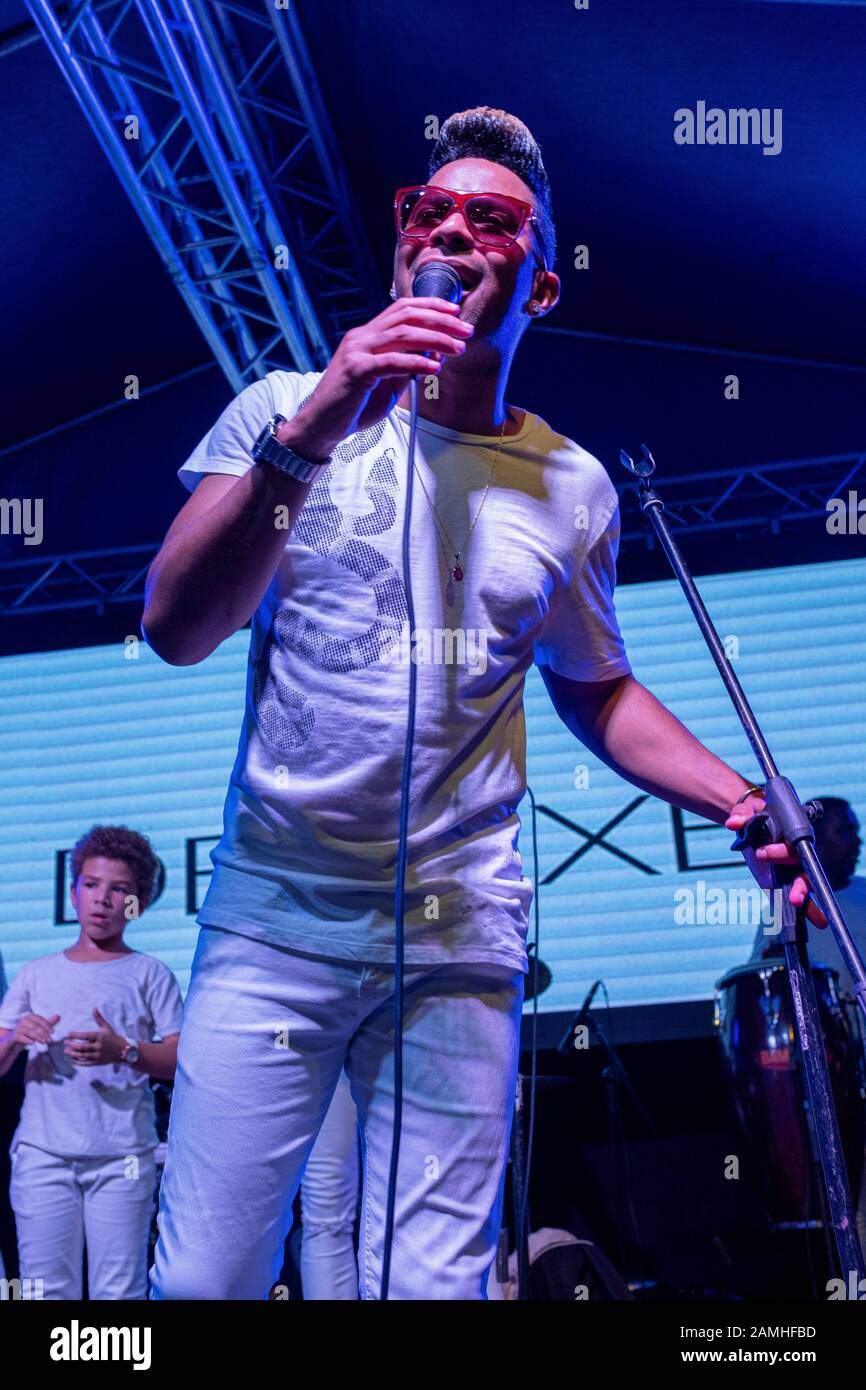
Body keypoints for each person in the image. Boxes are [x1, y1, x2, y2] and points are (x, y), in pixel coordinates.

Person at [141, 105, 815, 1301]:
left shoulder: (571, 484)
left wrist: (737, 799)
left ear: (539, 284)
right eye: (427, 210)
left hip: (459, 931)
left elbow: (593, 686)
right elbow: (175, 626)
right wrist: (315, 420)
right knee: (203, 1283)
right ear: (402, 246)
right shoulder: (284, 409)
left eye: (489, 217)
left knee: (433, 1285)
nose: (448, 227)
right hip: (272, 921)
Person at [0, 825, 183, 1299]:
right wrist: (18, 1038)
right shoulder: (35, 972)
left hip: (121, 1154)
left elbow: (181, 1060)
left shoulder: (150, 974)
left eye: (120, 889)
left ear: (137, 904)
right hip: (43, 1155)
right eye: (91, 885)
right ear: (72, 893)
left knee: (119, 1290)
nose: (103, 899)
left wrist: (122, 1049)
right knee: (43, 1289)